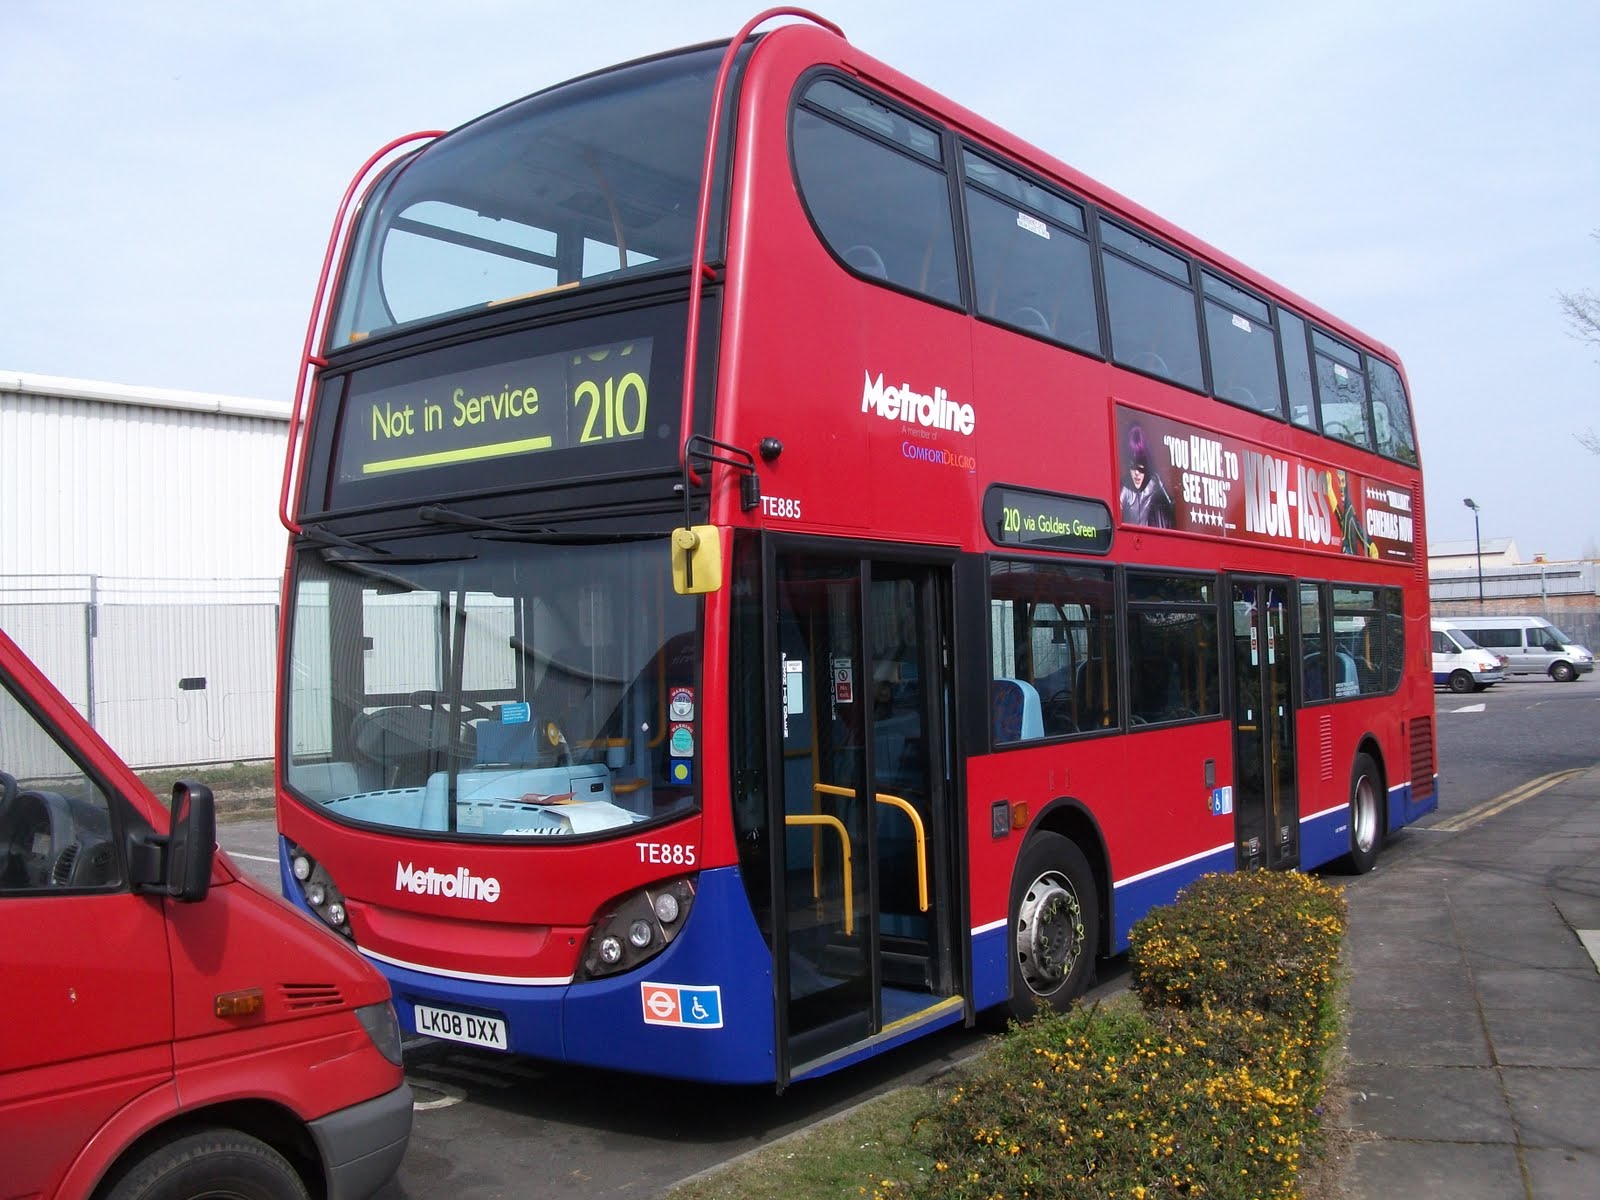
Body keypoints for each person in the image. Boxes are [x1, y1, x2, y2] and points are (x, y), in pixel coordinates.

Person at [1120, 423, 1174, 528]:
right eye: (1132, 465)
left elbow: (1170, 506)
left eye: (1140, 466)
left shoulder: (1154, 481)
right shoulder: (1124, 489)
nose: (1136, 472)